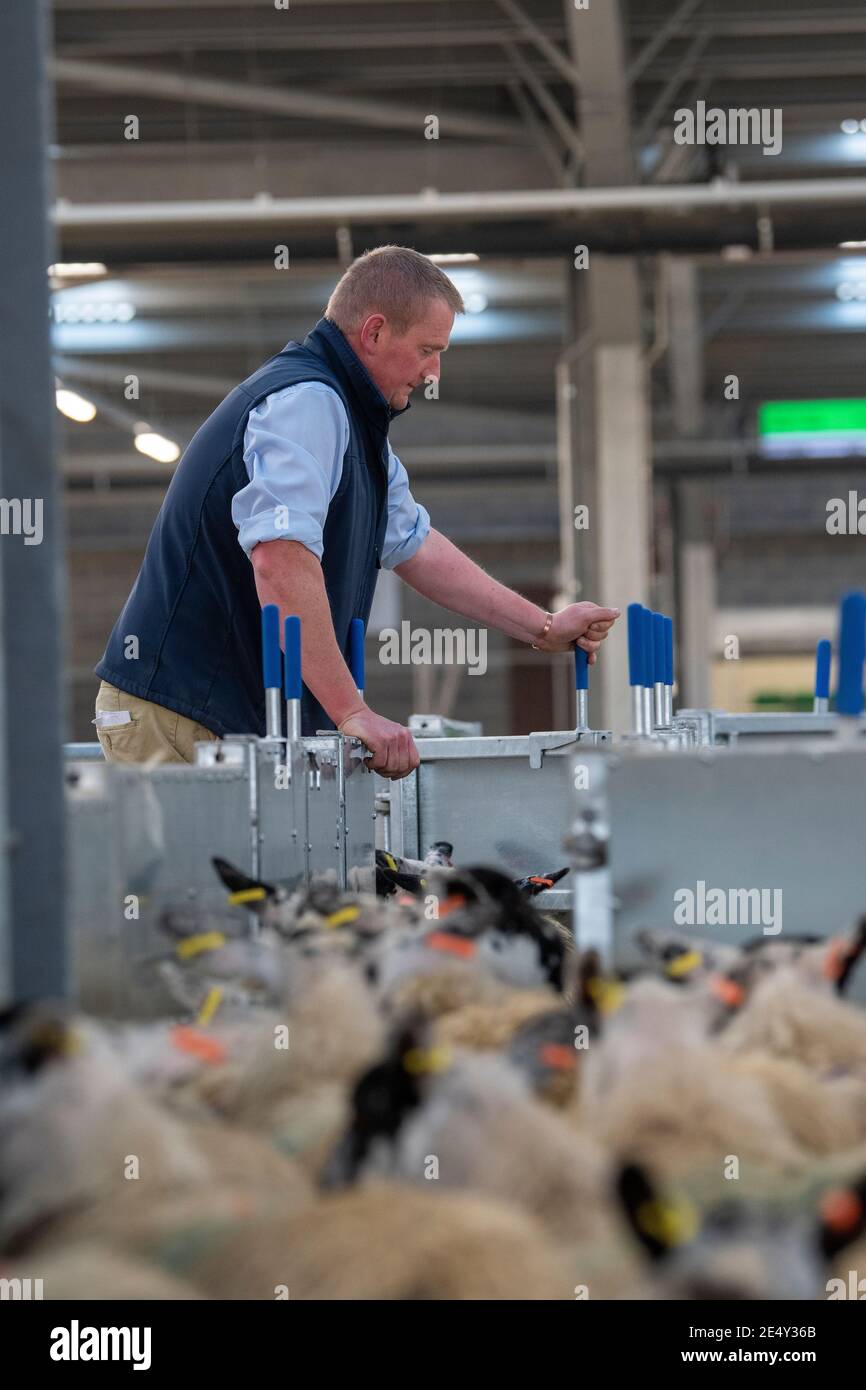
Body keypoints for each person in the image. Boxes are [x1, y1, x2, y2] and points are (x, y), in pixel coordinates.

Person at [94, 246, 619, 778]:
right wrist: (352, 711)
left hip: (214, 714)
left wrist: (543, 626)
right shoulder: (306, 402)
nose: (433, 372)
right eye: (426, 350)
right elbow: (280, 559)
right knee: (206, 865)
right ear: (373, 333)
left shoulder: (353, 425)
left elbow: (414, 543)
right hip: (177, 710)